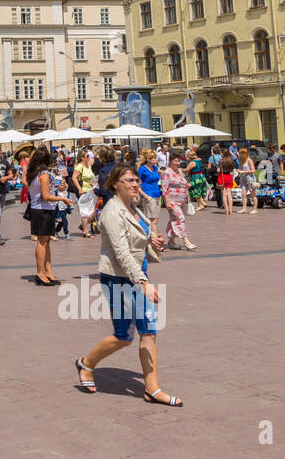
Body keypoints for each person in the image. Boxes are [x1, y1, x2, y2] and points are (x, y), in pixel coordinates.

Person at [75, 164, 182, 407]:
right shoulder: (112, 212)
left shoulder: (133, 207)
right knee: (123, 337)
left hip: (137, 276)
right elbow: (121, 253)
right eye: (128, 180)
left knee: (149, 332)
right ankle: (86, 363)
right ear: (114, 184)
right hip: (118, 279)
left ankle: (152, 389)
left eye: (136, 179)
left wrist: (152, 240)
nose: (135, 184)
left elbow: (138, 240)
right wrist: (143, 282)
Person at [26, 147, 70, 286]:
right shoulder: (44, 175)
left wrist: (56, 188)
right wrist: (62, 199)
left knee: (46, 241)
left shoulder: (34, 174)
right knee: (42, 242)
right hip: (43, 210)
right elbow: (45, 196)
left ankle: (48, 270)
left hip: (41, 210)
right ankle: (40, 272)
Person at [160, 154, 197, 251]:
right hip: (172, 201)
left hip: (181, 201)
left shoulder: (179, 171)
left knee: (174, 220)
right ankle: (186, 241)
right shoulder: (167, 172)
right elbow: (164, 189)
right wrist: (167, 202)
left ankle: (171, 241)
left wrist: (187, 184)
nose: (177, 163)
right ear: (170, 162)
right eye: (175, 161)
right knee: (180, 218)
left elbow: (183, 181)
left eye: (178, 161)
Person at [137, 149, 163, 232]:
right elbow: (137, 183)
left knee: (155, 220)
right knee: (152, 221)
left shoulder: (155, 168)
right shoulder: (142, 169)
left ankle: (152, 240)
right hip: (148, 194)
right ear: (148, 159)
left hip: (157, 195)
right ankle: (154, 241)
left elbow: (158, 178)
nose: (156, 160)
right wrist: (144, 195)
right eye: (154, 158)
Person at [73, 149, 97, 238]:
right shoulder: (80, 166)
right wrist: (79, 188)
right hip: (83, 191)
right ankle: (85, 232)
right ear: (82, 158)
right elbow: (74, 178)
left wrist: (93, 183)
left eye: (89, 155)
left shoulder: (88, 166)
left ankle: (83, 225)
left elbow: (90, 178)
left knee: (94, 212)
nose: (89, 157)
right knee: (85, 212)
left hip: (91, 191)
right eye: (87, 156)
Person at [214, 145, 235, 215]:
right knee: (229, 194)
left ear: (222, 153)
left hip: (222, 177)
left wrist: (218, 170)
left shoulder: (221, 161)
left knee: (224, 194)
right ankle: (231, 210)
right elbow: (233, 171)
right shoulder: (231, 160)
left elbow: (218, 170)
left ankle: (226, 210)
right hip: (229, 176)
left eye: (220, 152)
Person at [237, 147, 258, 215]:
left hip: (250, 178)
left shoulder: (249, 160)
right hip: (243, 178)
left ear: (244, 154)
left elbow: (253, 170)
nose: (239, 155)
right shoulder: (242, 161)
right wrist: (239, 171)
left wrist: (243, 171)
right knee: (243, 194)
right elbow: (242, 170)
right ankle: (244, 208)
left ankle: (255, 209)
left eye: (240, 153)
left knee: (253, 194)